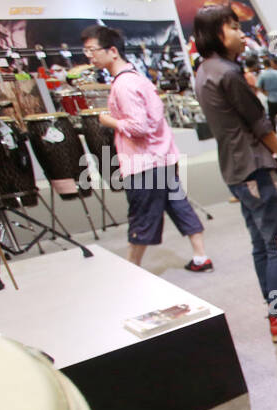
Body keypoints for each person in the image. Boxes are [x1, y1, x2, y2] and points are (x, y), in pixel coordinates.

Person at [193, 4, 277, 343]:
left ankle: (275, 308)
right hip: (254, 165)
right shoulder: (227, 72)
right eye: (234, 27)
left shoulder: (204, 71)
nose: (241, 34)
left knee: (259, 243)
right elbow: (259, 123)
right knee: (275, 243)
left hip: (235, 168)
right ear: (217, 33)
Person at [81, 25, 211, 272]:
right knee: (178, 205)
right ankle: (200, 256)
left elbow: (139, 126)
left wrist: (109, 121)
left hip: (144, 163)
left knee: (141, 216)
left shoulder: (124, 85)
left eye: (92, 50)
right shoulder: (137, 79)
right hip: (160, 158)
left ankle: (133, 269)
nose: (89, 56)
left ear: (112, 51)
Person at [258, 56, 277, 121]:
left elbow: (259, 86)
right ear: (271, 64)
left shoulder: (262, 75)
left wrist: (265, 93)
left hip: (271, 98)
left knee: (273, 118)